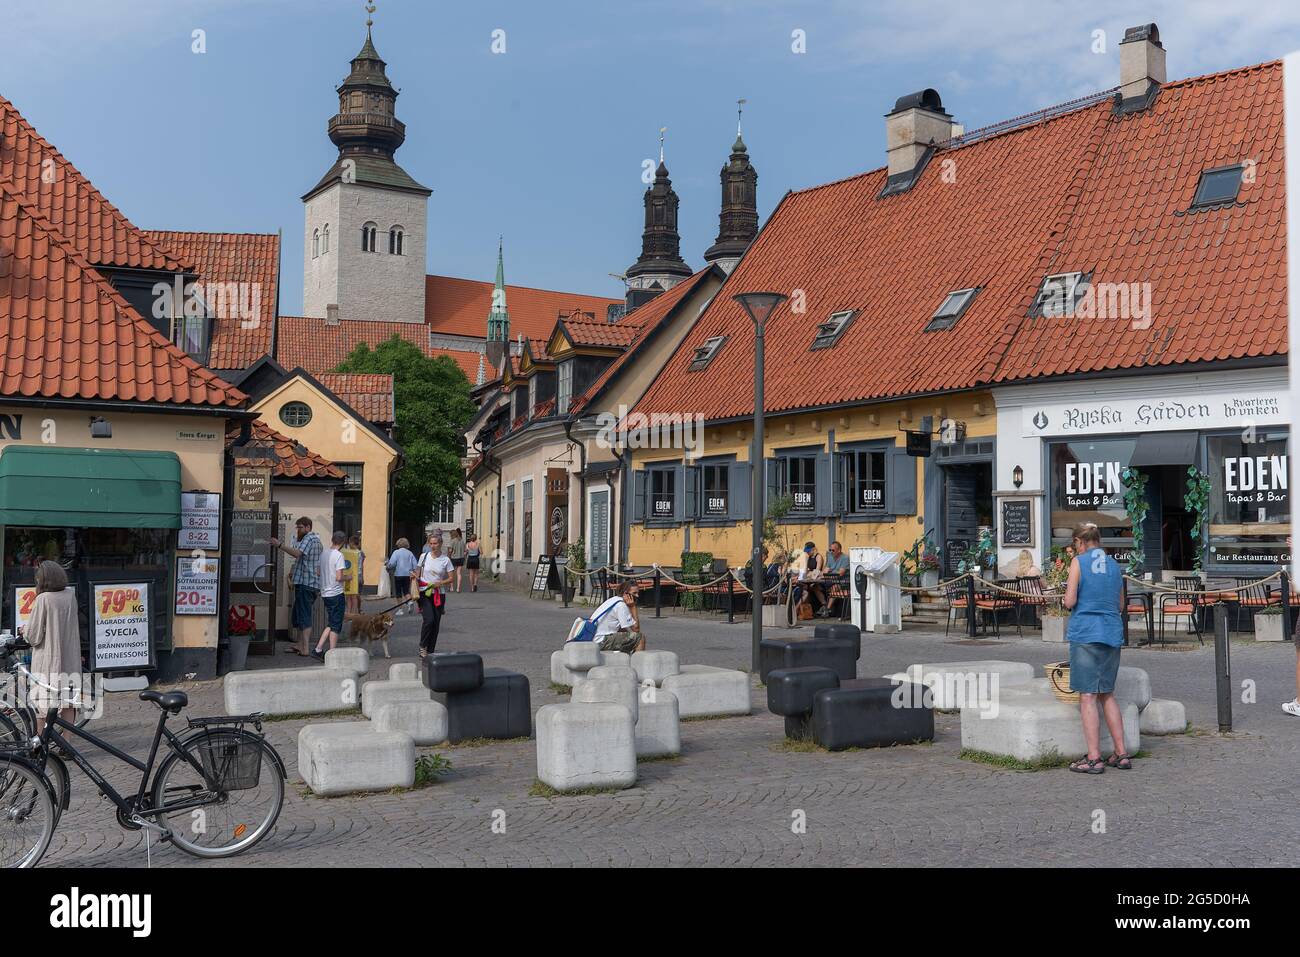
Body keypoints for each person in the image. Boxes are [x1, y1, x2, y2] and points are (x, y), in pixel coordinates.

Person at [1063, 522, 1131, 773]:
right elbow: (1120, 605)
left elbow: (1070, 601)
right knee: (1107, 693)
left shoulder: (1078, 563)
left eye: (1075, 545)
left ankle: (1093, 758)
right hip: (1112, 632)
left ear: (1080, 542)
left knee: (1088, 695)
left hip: (1086, 632)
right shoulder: (1115, 565)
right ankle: (1121, 753)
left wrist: (1065, 597)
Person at [22, 561, 81, 732]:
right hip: (70, 656)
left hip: (48, 660)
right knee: (69, 702)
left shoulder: (43, 599)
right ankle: (67, 743)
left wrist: (24, 630)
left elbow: (33, 636)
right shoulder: (70, 595)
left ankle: (41, 743)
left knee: (43, 704)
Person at [271, 517, 323, 656]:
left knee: (304, 615)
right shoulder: (316, 540)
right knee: (299, 614)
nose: (298, 530)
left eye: (300, 527)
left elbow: (297, 553)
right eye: (297, 527)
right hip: (310, 583)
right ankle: (300, 645)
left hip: (306, 583)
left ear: (308, 527)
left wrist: (279, 545)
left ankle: (305, 648)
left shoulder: (308, 539)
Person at [414, 533, 454, 659]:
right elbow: (417, 573)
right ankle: (422, 646)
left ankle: (430, 650)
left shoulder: (445, 560)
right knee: (429, 620)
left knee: (436, 623)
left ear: (441, 544)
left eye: (435, 543)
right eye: (430, 543)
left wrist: (440, 583)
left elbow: (451, 578)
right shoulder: (423, 556)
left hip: (439, 593)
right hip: (424, 592)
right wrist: (414, 577)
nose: (433, 546)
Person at [311, 531, 349, 660]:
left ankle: (318, 649)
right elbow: (339, 577)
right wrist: (348, 577)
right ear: (343, 542)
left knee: (332, 622)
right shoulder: (339, 555)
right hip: (336, 593)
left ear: (332, 540)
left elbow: (317, 572)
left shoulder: (323, 554)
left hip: (325, 592)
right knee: (336, 624)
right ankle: (332, 654)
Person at [587, 581, 645, 654]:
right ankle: (638, 664)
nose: (637, 596)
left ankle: (624, 660)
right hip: (601, 640)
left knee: (627, 634)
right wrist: (633, 607)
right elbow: (636, 629)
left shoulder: (613, 600)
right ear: (625, 593)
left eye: (638, 593)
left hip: (594, 637)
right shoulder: (621, 605)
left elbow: (624, 627)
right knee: (639, 638)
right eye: (634, 593)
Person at [385, 538, 417, 615]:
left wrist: (387, 566)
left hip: (398, 574)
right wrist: (414, 572)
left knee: (398, 592)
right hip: (408, 575)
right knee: (406, 591)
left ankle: (400, 609)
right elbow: (415, 564)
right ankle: (409, 602)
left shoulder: (396, 552)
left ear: (398, 544)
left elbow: (392, 563)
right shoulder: (410, 553)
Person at [821, 541, 850, 618]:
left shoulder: (845, 558)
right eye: (830, 550)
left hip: (842, 582)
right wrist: (828, 572)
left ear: (839, 550)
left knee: (834, 588)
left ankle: (827, 609)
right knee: (814, 586)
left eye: (833, 550)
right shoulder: (830, 556)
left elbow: (840, 573)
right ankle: (823, 605)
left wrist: (829, 573)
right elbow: (825, 570)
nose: (831, 552)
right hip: (830, 580)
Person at [342, 535, 362, 615]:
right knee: (351, 596)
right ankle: (351, 613)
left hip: (352, 576)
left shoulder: (357, 553)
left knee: (351, 596)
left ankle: (351, 613)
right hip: (355, 575)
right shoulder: (359, 552)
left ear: (351, 542)